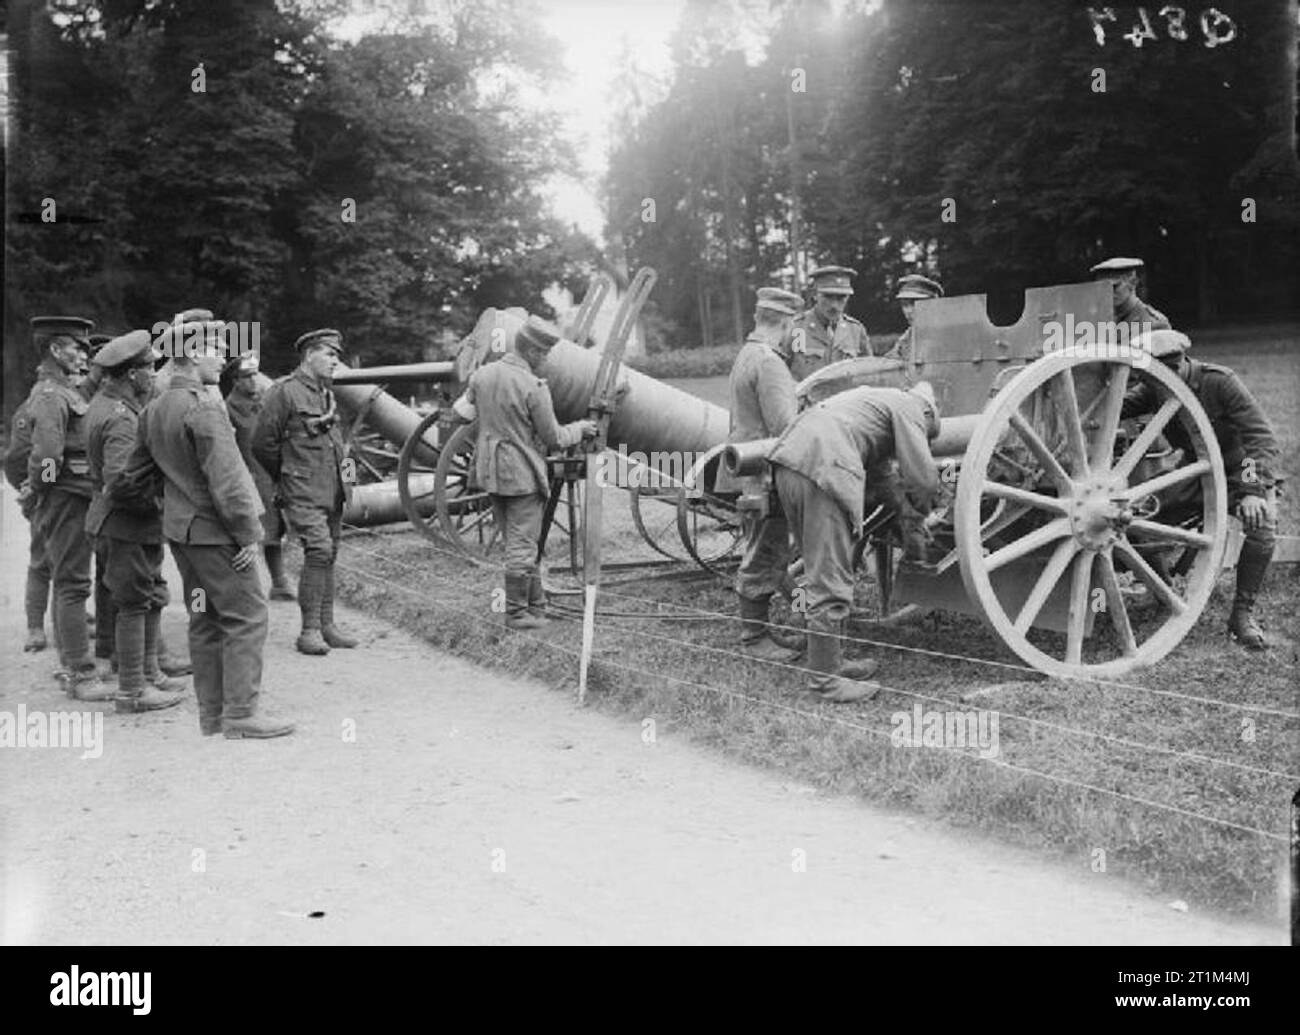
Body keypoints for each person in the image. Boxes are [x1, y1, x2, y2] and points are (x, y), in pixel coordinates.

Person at [122, 318, 293, 738]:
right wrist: (249, 535)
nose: (222, 357)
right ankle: (241, 715)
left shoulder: (154, 408)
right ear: (193, 354)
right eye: (216, 348)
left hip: (183, 538)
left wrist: (169, 505)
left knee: (204, 618)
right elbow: (229, 480)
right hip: (219, 536)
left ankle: (213, 715)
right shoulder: (204, 408)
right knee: (248, 615)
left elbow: (132, 475)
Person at [768, 382, 942, 702]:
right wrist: (930, 510)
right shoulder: (911, 408)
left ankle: (829, 661)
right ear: (928, 414)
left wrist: (905, 514)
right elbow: (923, 479)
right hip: (825, 465)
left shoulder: (871, 402)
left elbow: (881, 478)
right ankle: (826, 682)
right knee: (830, 579)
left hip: (789, 461)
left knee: (816, 569)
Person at [1123, 329, 1281, 649]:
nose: (1153, 384)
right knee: (1134, 515)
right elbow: (1119, 404)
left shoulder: (1219, 382)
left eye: (1159, 375)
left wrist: (1252, 490)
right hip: (1195, 473)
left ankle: (1242, 616)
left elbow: (1260, 439)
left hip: (1241, 470)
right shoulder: (1155, 388)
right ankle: (1164, 590)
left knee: (1262, 526)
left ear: (1179, 365)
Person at [451, 315, 597, 630]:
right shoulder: (535, 387)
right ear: (531, 352)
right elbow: (554, 439)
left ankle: (536, 606)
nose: (545, 361)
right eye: (543, 355)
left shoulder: (482, 375)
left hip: (489, 470)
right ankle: (516, 613)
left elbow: (460, 413)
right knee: (523, 544)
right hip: (520, 472)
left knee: (515, 537)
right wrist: (581, 428)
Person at [84, 330, 186, 713]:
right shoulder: (120, 418)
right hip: (125, 522)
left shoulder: (110, 405)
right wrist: (159, 500)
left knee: (148, 594)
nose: (154, 374)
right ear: (131, 374)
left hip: (126, 523)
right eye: (149, 368)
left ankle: (148, 673)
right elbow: (122, 481)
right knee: (132, 603)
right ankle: (132, 690)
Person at [22, 315, 114, 701]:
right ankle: (79, 672)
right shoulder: (50, 395)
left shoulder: (67, 390)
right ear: (56, 350)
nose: (83, 353)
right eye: (76, 347)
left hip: (78, 494)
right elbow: (47, 454)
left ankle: (80, 666)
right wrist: (42, 487)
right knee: (72, 583)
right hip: (66, 498)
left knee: (74, 581)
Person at [253, 329, 357, 654]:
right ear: (309, 354)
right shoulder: (283, 392)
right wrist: (286, 476)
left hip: (331, 489)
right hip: (301, 488)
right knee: (319, 550)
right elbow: (261, 444)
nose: (335, 360)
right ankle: (309, 631)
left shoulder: (326, 394)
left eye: (336, 355)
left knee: (330, 553)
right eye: (329, 354)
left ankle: (327, 625)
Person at [721, 287, 803, 661]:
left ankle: (760, 632)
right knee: (764, 551)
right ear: (787, 323)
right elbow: (785, 427)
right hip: (766, 475)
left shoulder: (747, 355)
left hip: (750, 471)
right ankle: (754, 639)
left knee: (765, 548)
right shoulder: (770, 363)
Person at [223, 352, 294, 600]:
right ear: (235, 380)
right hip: (250, 477)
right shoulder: (228, 409)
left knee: (279, 528)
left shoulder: (267, 401)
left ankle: (279, 582)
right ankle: (259, 585)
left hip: (275, 473)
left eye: (255, 375)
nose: (254, 381)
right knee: (256, 531)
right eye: (247, 376)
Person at [786, 265, 873, 384]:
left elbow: (868, 374)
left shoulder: (856, 330)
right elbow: (778, 374)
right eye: (828, 297)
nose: (834, 305)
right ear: (815, 295)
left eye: (841, 298)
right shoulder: (796, 327)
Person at [1089, 257, 1170, 331]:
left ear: (1133, 282)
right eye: (1103, 288)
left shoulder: (1154, 323)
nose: (1108, 292)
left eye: (1115, 287)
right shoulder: (1096, 323)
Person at [881, 274, 944, 365]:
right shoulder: (908, 337)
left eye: (914, 304)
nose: (909, 311)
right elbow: (888, 363)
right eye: (905, 305)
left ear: (932, 305)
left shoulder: (946, 334)